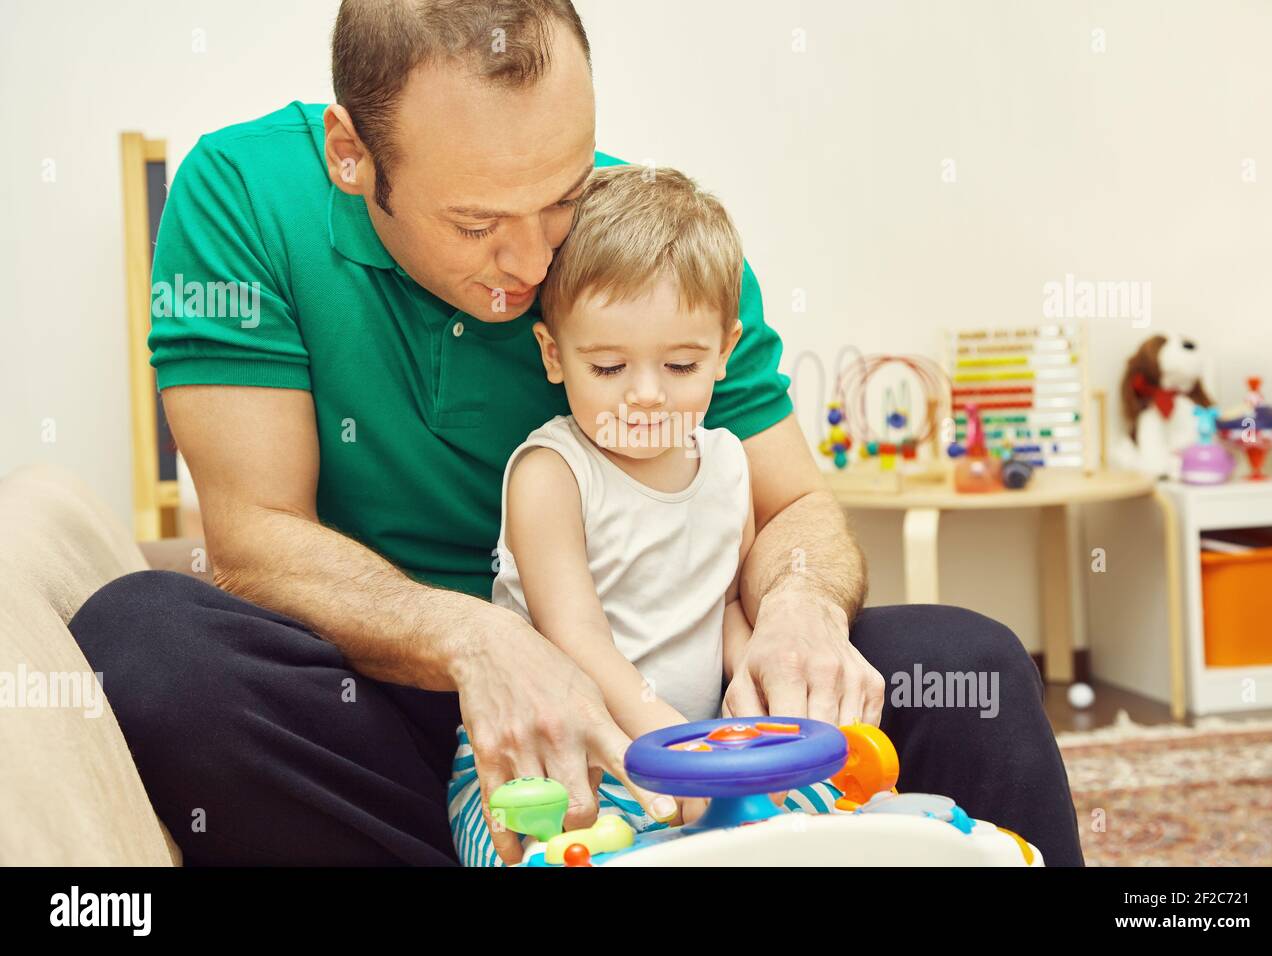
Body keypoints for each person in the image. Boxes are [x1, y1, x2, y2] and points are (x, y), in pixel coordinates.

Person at [68, 0, 1084, 866]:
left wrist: (799, 608)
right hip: (386, 710)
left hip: (668, 696)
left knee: (974, 665)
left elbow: (793, 508)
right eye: (475, 223)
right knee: (146, 645)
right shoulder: (240, 194)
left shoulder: (640, 244)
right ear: (351, 153)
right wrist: (479, 640)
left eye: (560, 195)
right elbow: (251, 536)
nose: (529, 260)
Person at [448, 165, 845, 865]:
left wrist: (756, 692)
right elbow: (577, 637)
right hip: (566, 754)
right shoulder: (551, 475)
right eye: (607, 368)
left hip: (689, 747)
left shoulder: (728, 465)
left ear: (724, 351)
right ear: (553, 355)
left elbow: (722, 606)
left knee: (826, 815)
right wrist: (669, 744)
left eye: (681, 366)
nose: (647, 397)